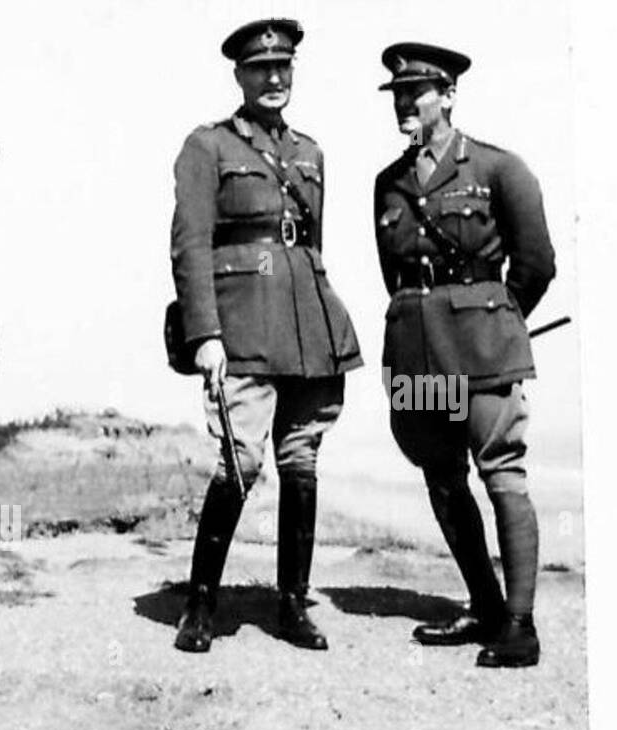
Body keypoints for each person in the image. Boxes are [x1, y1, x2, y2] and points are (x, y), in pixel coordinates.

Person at [171, 18, 362, 654]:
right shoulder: (209, 146)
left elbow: (313, 245)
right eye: (261, 69)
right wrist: (205, 333)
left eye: (284, 68)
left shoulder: (310, 152)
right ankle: (200, 605)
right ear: (240, 75)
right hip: (244, 324)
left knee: (302, 458)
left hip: (308, 325)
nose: (274, 78)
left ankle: (292, 605)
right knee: (241, 459)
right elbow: (190, 245)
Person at [375, 43, 555, 667]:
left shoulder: (501, 169)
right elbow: (396, 278)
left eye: (416, 93)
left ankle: (520, 626)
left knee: (502, 470)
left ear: (448, 95)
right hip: (417, 360)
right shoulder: (388, 184)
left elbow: (536, 265)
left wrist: (496, 325)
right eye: (397, 93)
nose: (404, 103)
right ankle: (483, 606)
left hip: (482, 352)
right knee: (441, 475)